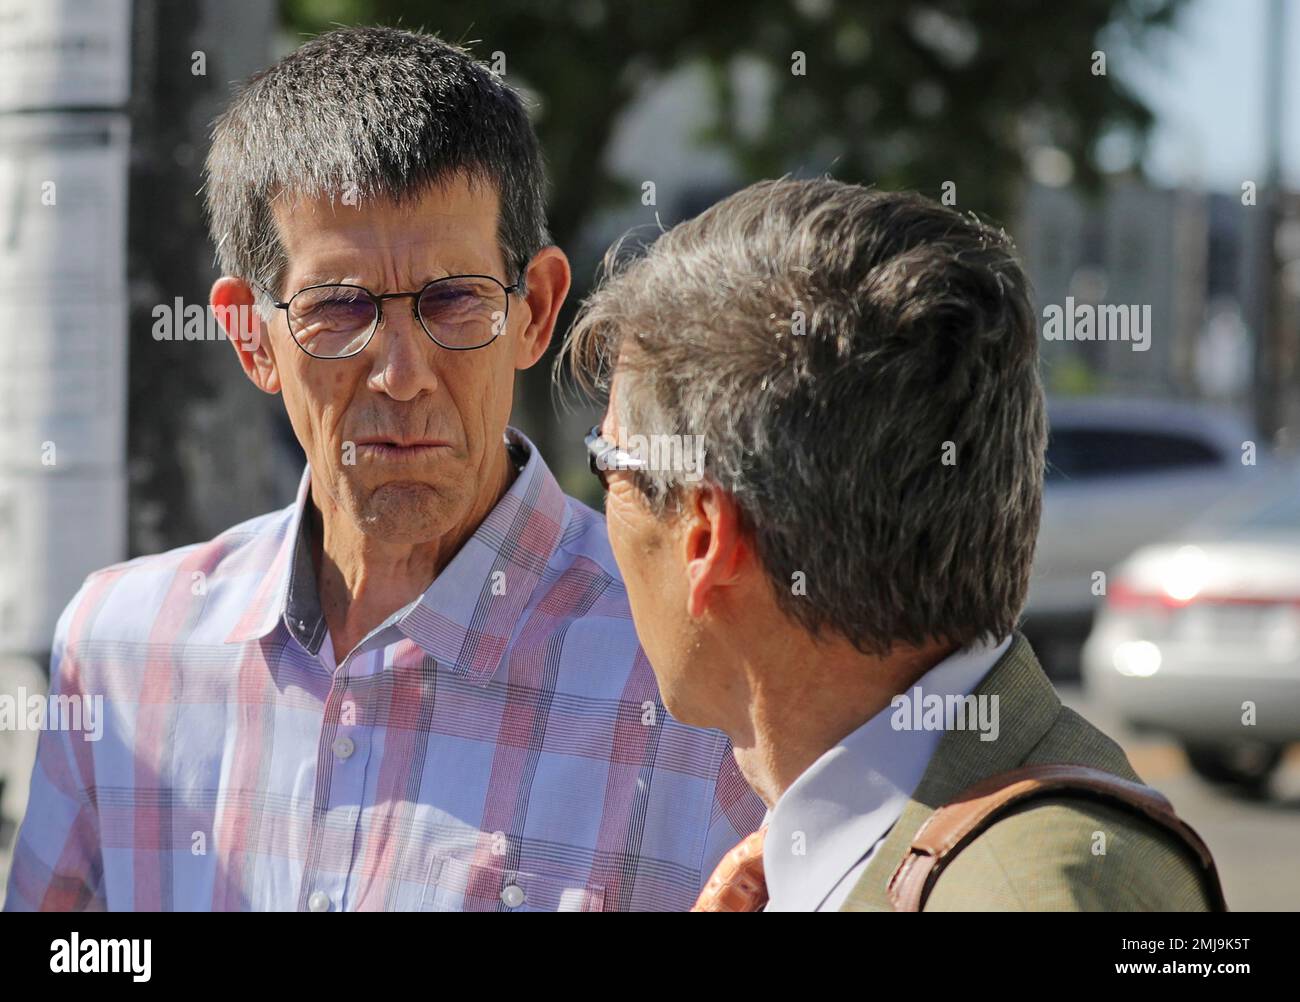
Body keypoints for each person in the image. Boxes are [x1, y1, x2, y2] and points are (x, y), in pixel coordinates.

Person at [3, 26, 762, 913]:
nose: (401, 374)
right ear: (251, 333)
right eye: (338, 309)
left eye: (454, 300)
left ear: (538, 309)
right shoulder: (121, 651)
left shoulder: (701, 681)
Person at [563, 177, 1222, 911]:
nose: (603, 500)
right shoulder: (898, 848)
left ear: (707, 536)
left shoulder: (1023, 892)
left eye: (609, 460)